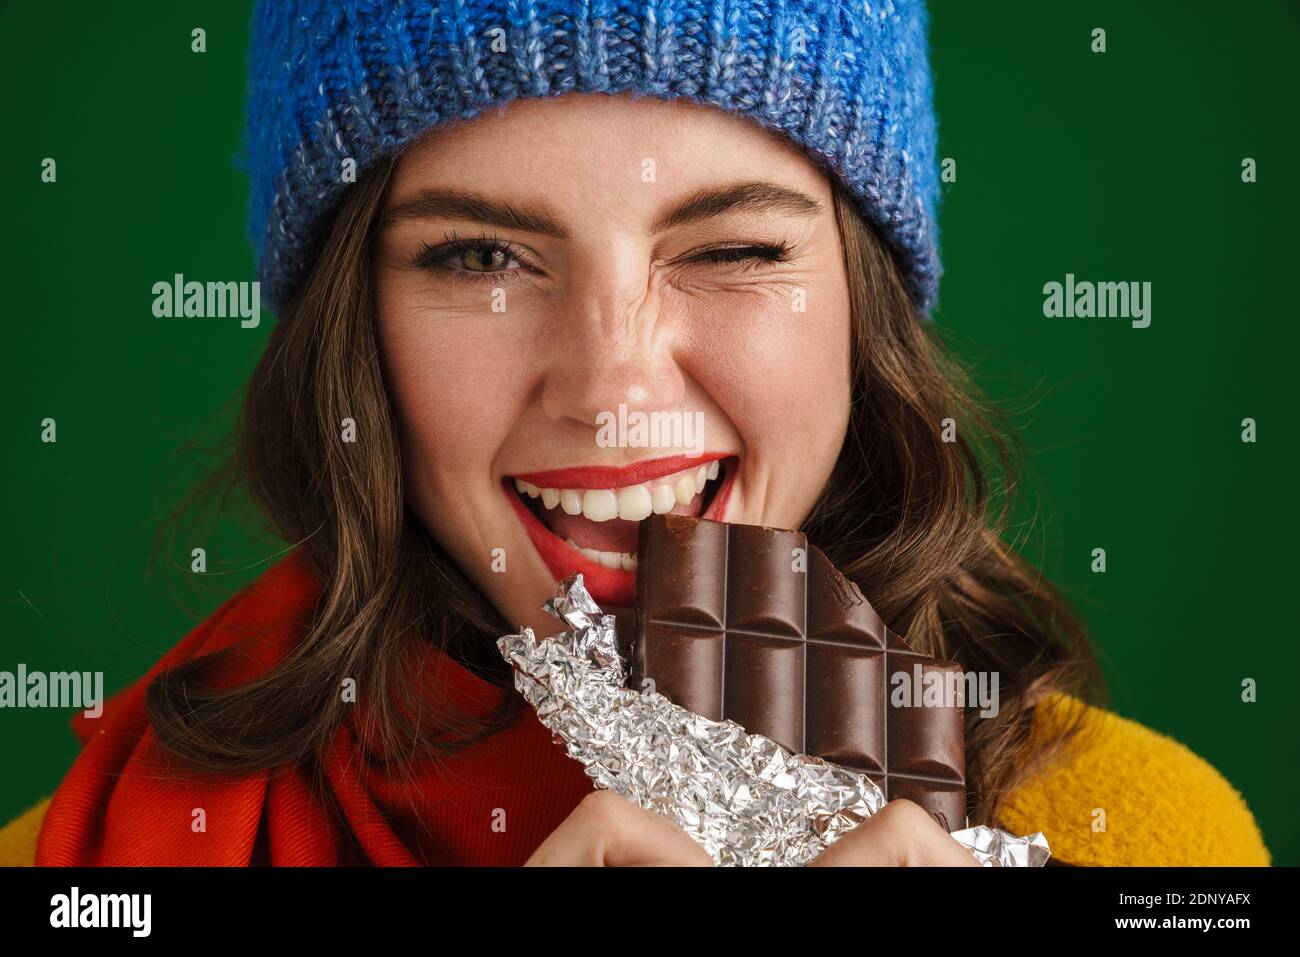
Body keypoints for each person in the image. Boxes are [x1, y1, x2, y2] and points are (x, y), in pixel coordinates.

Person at [2, 0, 1269, 866]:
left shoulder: (1141, 839)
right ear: (351, 330)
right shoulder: (76, 861)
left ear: (860, 310)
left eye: (729, 249)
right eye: (481, 255)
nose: (610, 390)